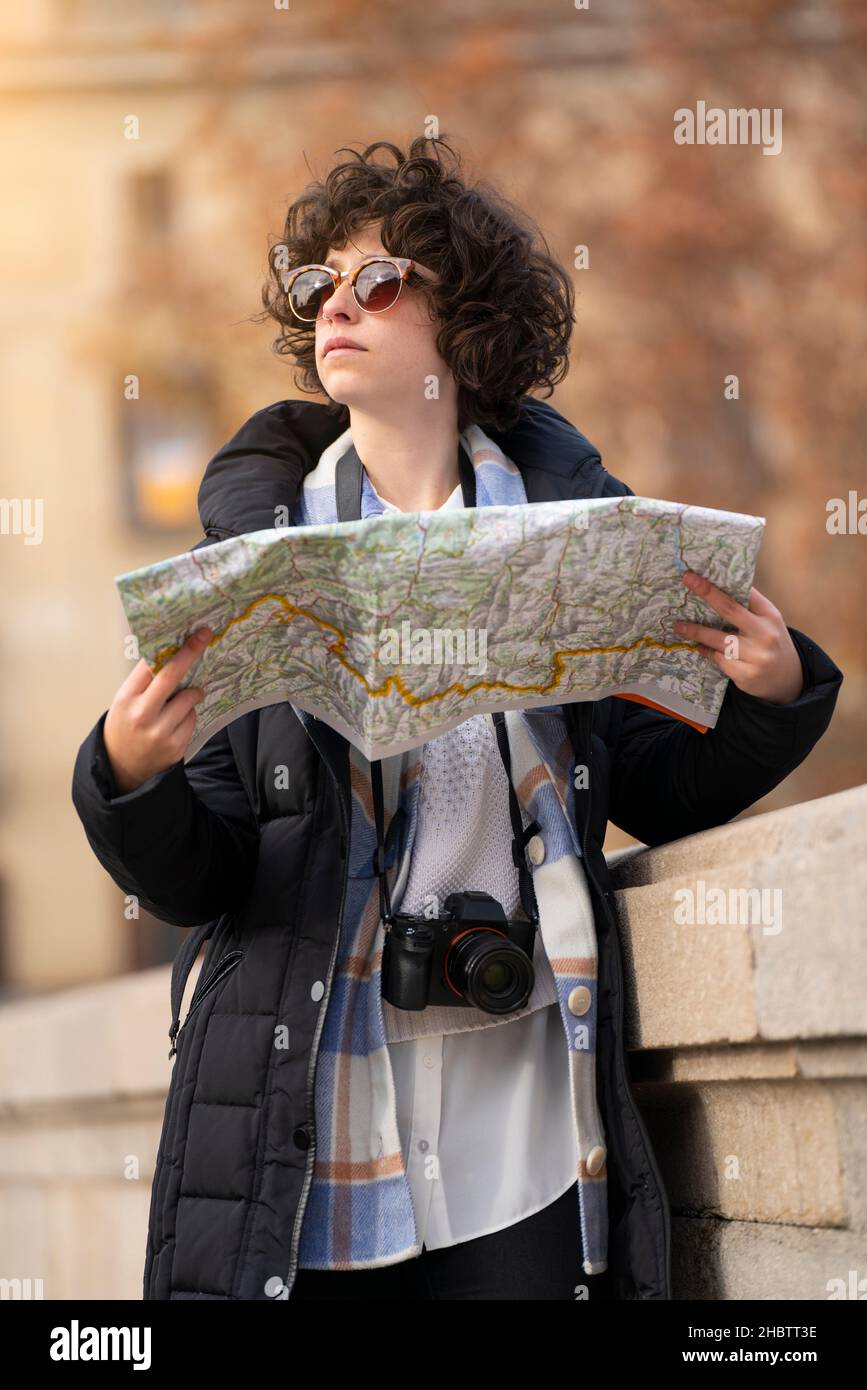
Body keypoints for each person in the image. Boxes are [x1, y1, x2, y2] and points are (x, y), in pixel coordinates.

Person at [71, 136, 843, 1301]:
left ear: (464, 326)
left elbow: (651, 785)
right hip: (314, 1108)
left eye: (379, 281)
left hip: (524, 1103)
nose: (338, 302)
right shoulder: (250, 560)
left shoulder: (575, 533)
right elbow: (208, 876)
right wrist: (132, 774)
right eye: (317, 284)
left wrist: (772, 692)